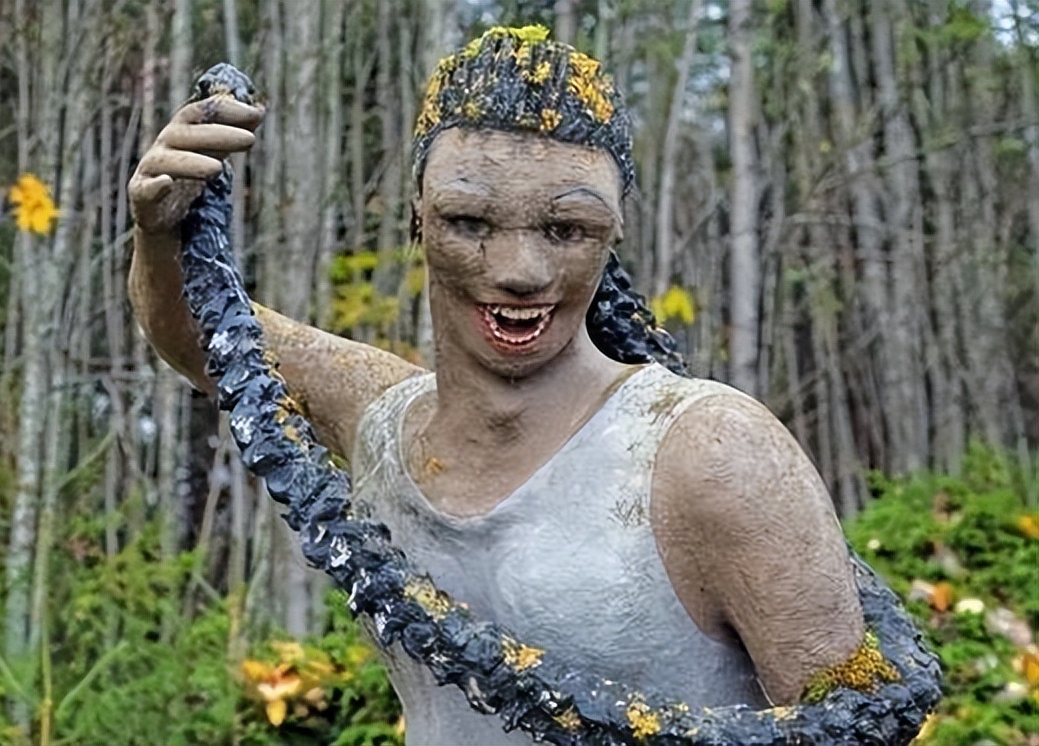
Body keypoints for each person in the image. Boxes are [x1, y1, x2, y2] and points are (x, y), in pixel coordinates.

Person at [130, 26, 870, 745]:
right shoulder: (387, 426)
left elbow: (857, 720)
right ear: (418, 218)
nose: (519, 271)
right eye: (470, 221)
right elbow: (207, 337)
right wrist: (164, 231)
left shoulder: (708, 451)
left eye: (566, 229)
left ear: (613, 233)